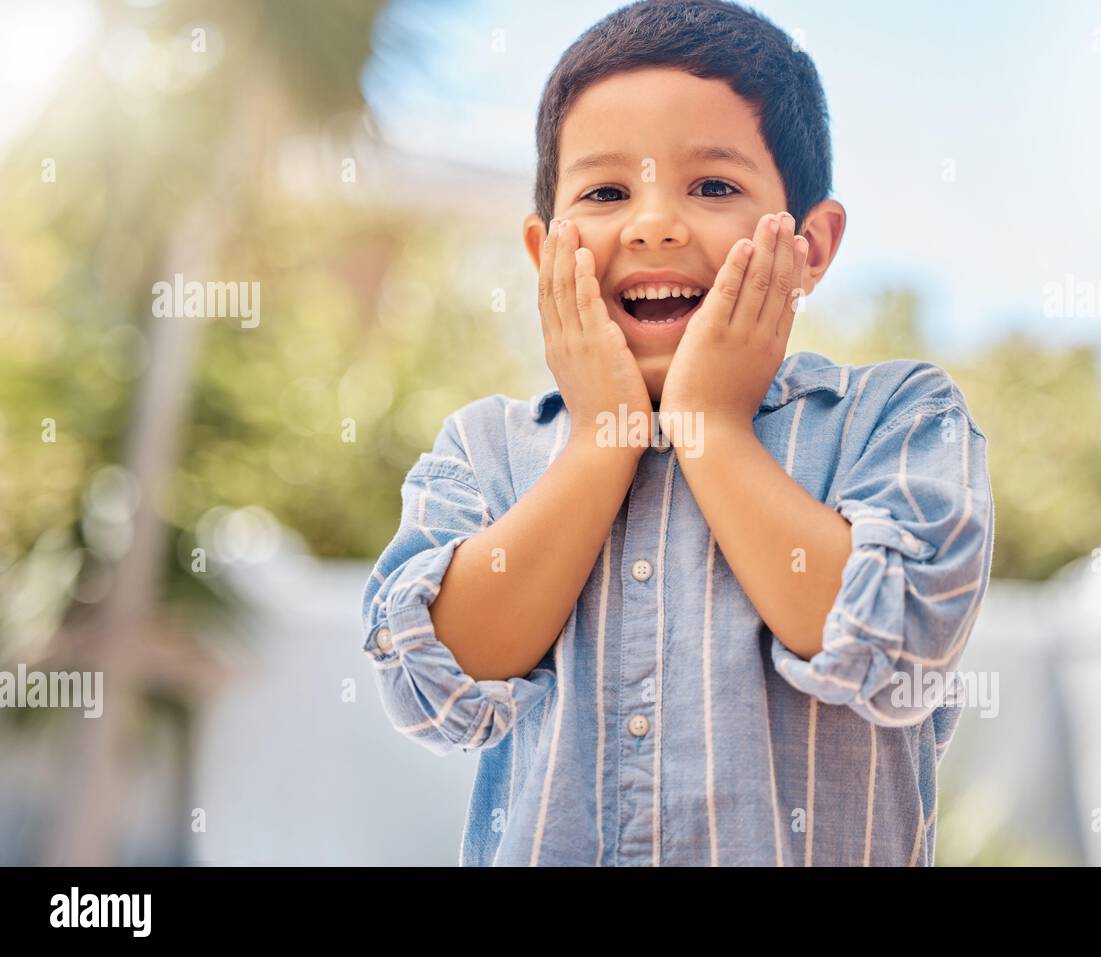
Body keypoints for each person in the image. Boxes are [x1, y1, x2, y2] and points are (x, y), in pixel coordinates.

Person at [361, 0, 994, 866]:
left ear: (811, 243)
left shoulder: (897, 418)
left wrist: (713, 427)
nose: (653, 224)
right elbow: (429, 677)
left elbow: (898, 642)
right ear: (545, 251)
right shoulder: (485, 451)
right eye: (607, 191)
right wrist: (601, 441)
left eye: (713, 187)